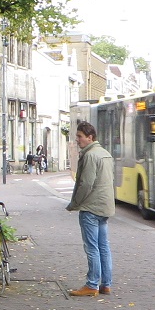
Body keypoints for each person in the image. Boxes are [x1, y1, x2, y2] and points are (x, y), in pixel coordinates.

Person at [65, 120, 114, 297]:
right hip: (105, 207)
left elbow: (86, 184)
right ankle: (106, 284)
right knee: (103, 247)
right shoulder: (105, 154)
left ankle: (92, 284)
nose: (77, 140)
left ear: (90, 137)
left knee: (92, 247)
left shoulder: (90, 156)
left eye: (80, 136)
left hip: (91, 208)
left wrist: (75, 204)